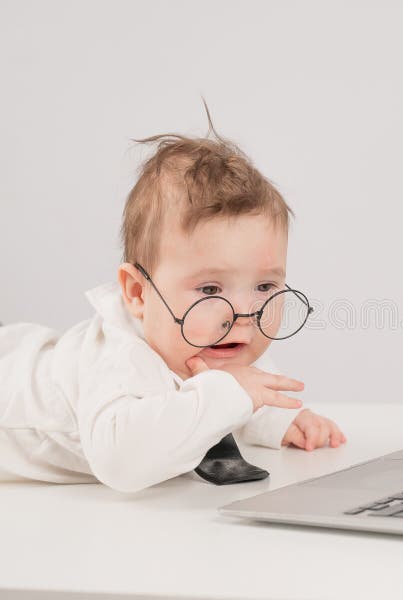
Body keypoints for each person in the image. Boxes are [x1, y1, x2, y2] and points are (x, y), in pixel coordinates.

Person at [0, 104, 345, 493]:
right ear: (138, 293)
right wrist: (228, 395)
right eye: (210, 290)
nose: (244, 314)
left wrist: (278, 420)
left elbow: (235, 390)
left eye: (264, 287)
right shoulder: (121, 360)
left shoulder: (222, 341)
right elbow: (120, 462)